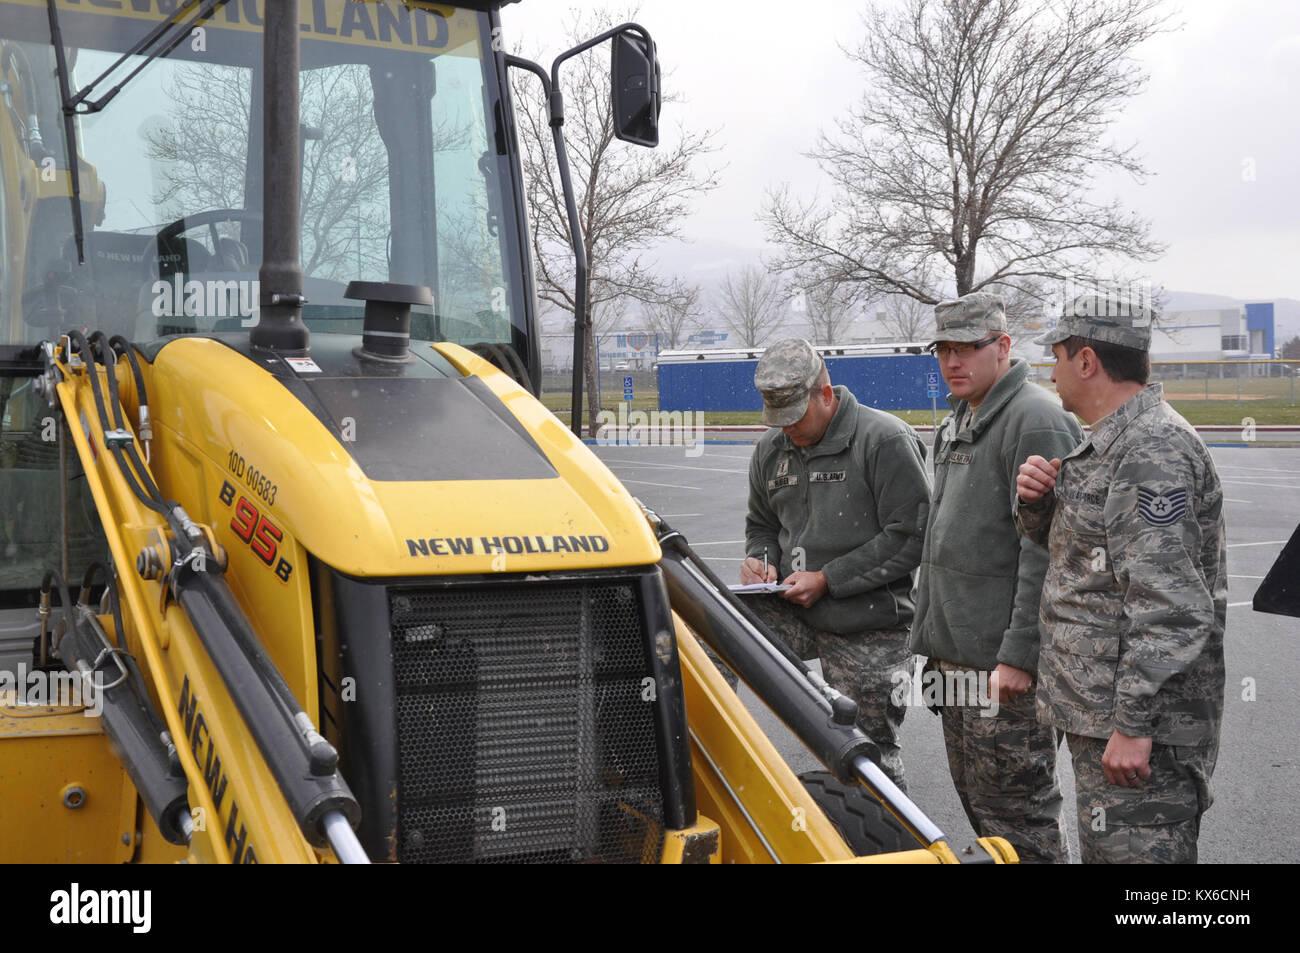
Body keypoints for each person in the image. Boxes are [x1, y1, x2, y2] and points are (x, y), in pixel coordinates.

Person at [1015, 294, 1226, 864]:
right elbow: (1087, 562)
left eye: (1057, 357)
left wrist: (1134, 724)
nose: (1050, 372)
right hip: (1103, 715)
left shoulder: (1151, 449)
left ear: (1087, 362)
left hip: (1137, 732)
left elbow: (1169, 604)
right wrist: (1039, 503)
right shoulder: (1109, 440)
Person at [909, 292, 1082, 864]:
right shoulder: (963, 416)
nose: (952, 362)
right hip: (958, 659)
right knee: (985, 812)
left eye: (966, 349)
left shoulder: (1036, 418)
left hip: (1000, 669)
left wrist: (1019, 655)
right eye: (943, 351)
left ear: (1003, 347)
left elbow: (1047, 554)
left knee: (1019, 817)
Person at [742, 338, 929, 790]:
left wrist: (829, 578)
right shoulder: (773, 448)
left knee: (865, 749)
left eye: (795, 418)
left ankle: (887, 845)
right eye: (777, 421)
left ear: (825, 395)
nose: (786, 430)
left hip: (869, 620)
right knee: (706, 641)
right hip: (792, 605)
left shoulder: (883, 439)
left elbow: (913, 535)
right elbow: (761, 524)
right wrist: (760, 561)